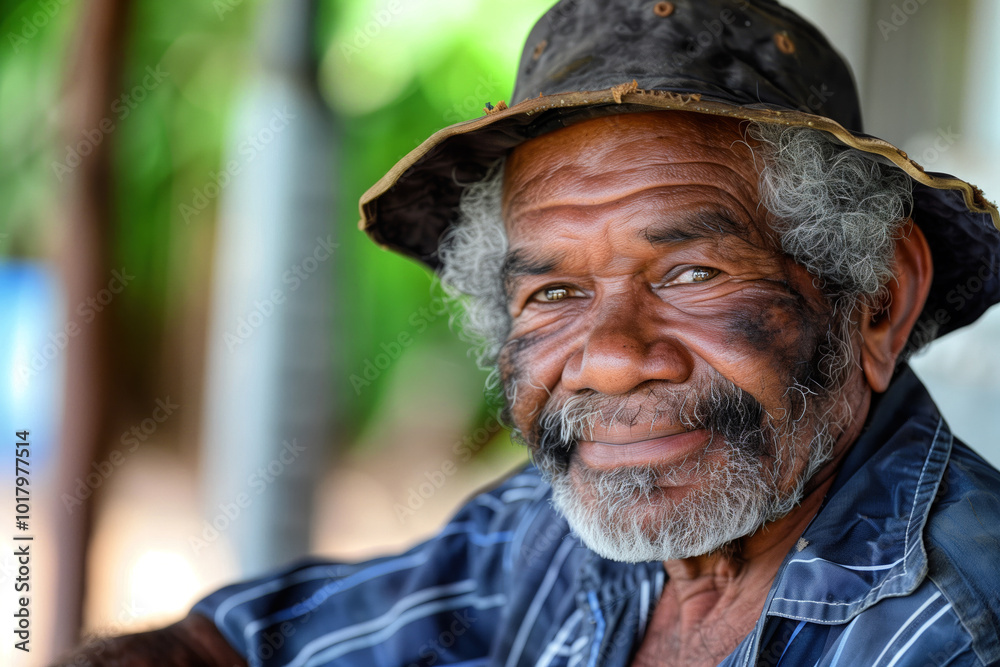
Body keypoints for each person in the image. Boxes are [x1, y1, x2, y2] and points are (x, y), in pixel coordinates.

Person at [55, 0, 1000, 665]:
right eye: (551, 293)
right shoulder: (554, 535)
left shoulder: (956, 628)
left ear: (878, 298)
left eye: (691, 273)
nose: (611, 358)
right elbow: (233, 647)